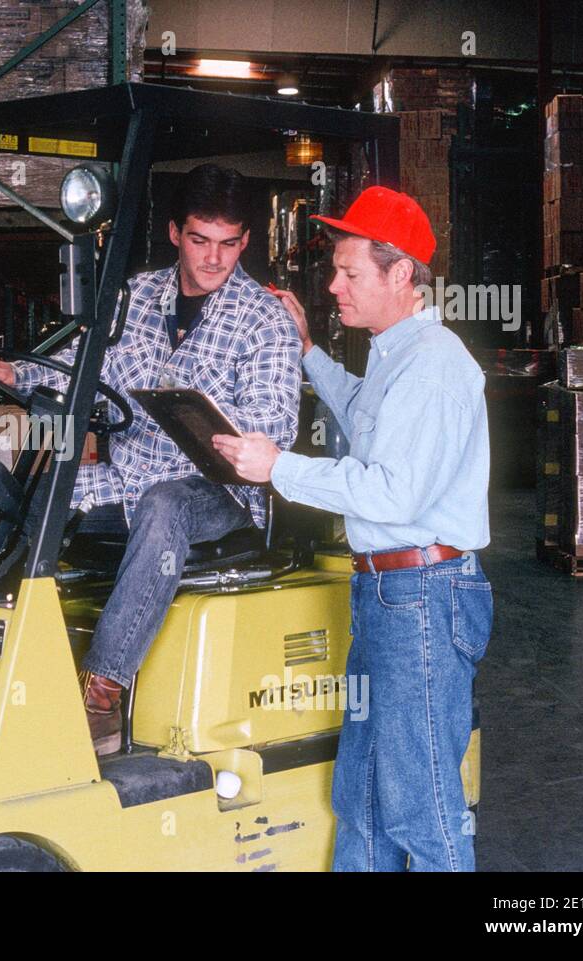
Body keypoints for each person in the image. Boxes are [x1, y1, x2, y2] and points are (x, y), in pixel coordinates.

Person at [0, 163, 301, 756]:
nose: (214, 259)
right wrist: (15, 371)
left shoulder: (264, 320)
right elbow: (77, 365)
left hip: (216, 495)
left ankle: (103, 694)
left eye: (228, 245)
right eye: (201, 240)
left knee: (164, 503)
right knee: (42, 491)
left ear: (245, 242)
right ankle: (6, 657)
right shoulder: (135, 298)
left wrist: (212, 426)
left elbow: (275, 429)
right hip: (125, 480)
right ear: (176, 233)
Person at [212, 186, 492, 872]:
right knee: (362, 801)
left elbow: (393, 490)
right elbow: (362, 410)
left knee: (420, 808)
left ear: (402, 275)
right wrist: (307, 351)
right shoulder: (395, 354)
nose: (334, 286)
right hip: (388, 597)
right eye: (335, 271)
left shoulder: (435, 366)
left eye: (350, 273)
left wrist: (278, 466)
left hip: (421, 596)